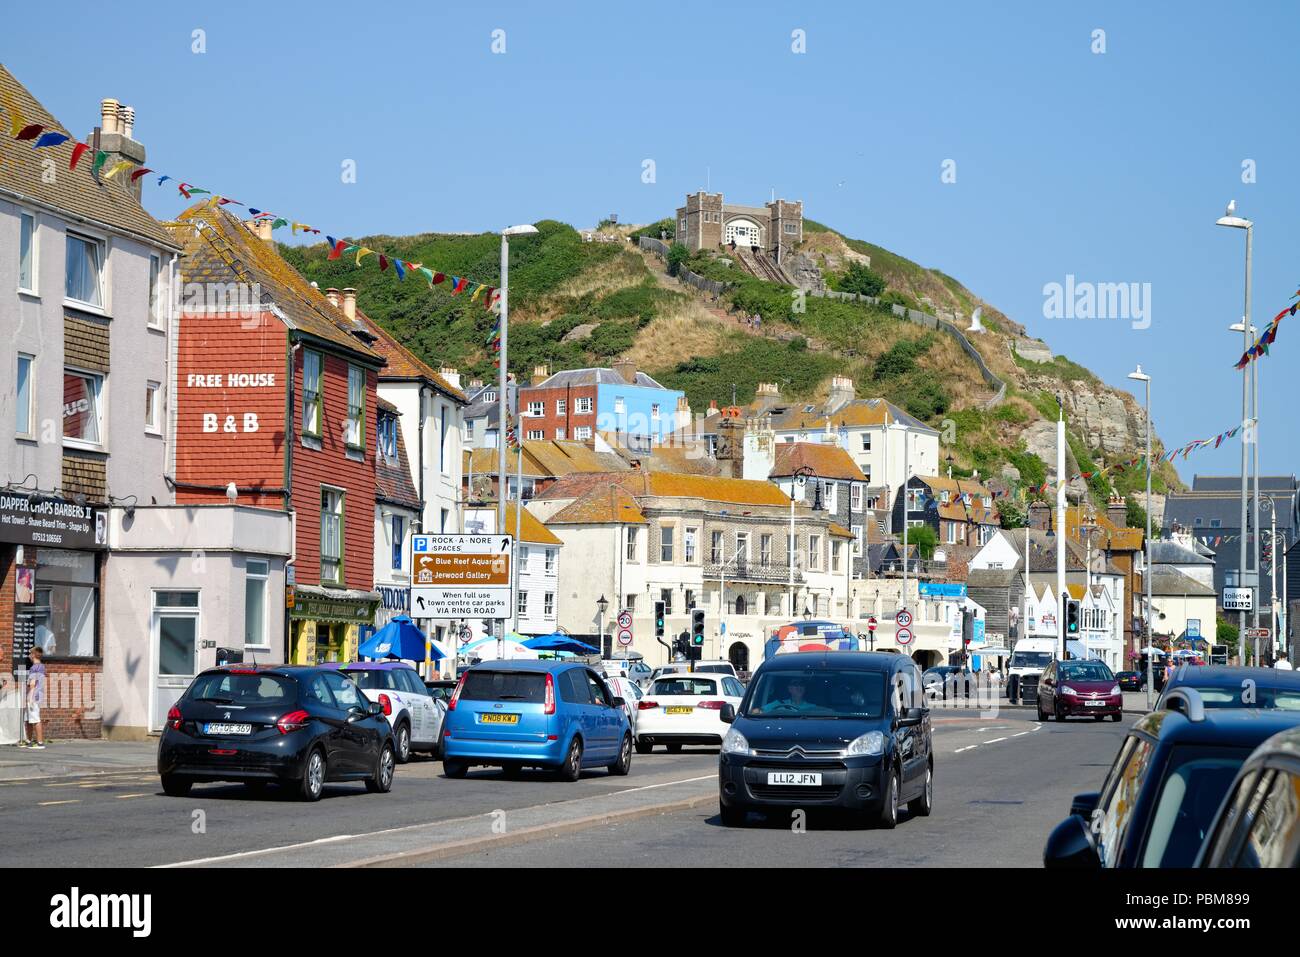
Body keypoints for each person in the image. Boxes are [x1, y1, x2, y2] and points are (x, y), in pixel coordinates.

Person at [22, 647, 46, 750]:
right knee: (29, 720)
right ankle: (29, 741)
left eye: (29, 654)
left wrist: (30, 698)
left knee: (35, 719)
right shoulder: (41, 666)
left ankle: (40, 743)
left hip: (33, 696)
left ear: (33, 655)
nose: (28, 656)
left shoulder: (34, 668)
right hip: (37, 695)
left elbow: (32, 684)